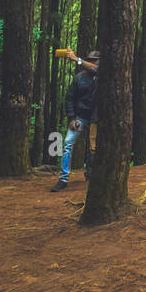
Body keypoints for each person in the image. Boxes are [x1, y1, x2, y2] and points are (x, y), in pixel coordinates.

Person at [52, 50, 100, 191]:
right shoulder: (79, 78)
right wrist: (72, 118)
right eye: (90, 60)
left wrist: (75, 58)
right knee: (67, 143)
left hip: (96, 119)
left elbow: (97, 69)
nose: (92, 63)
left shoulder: (103, 76)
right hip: (80, 118)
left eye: (95, 60)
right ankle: (63, 178)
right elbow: (70, 98)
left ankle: (91, 174)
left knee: (94, 148)